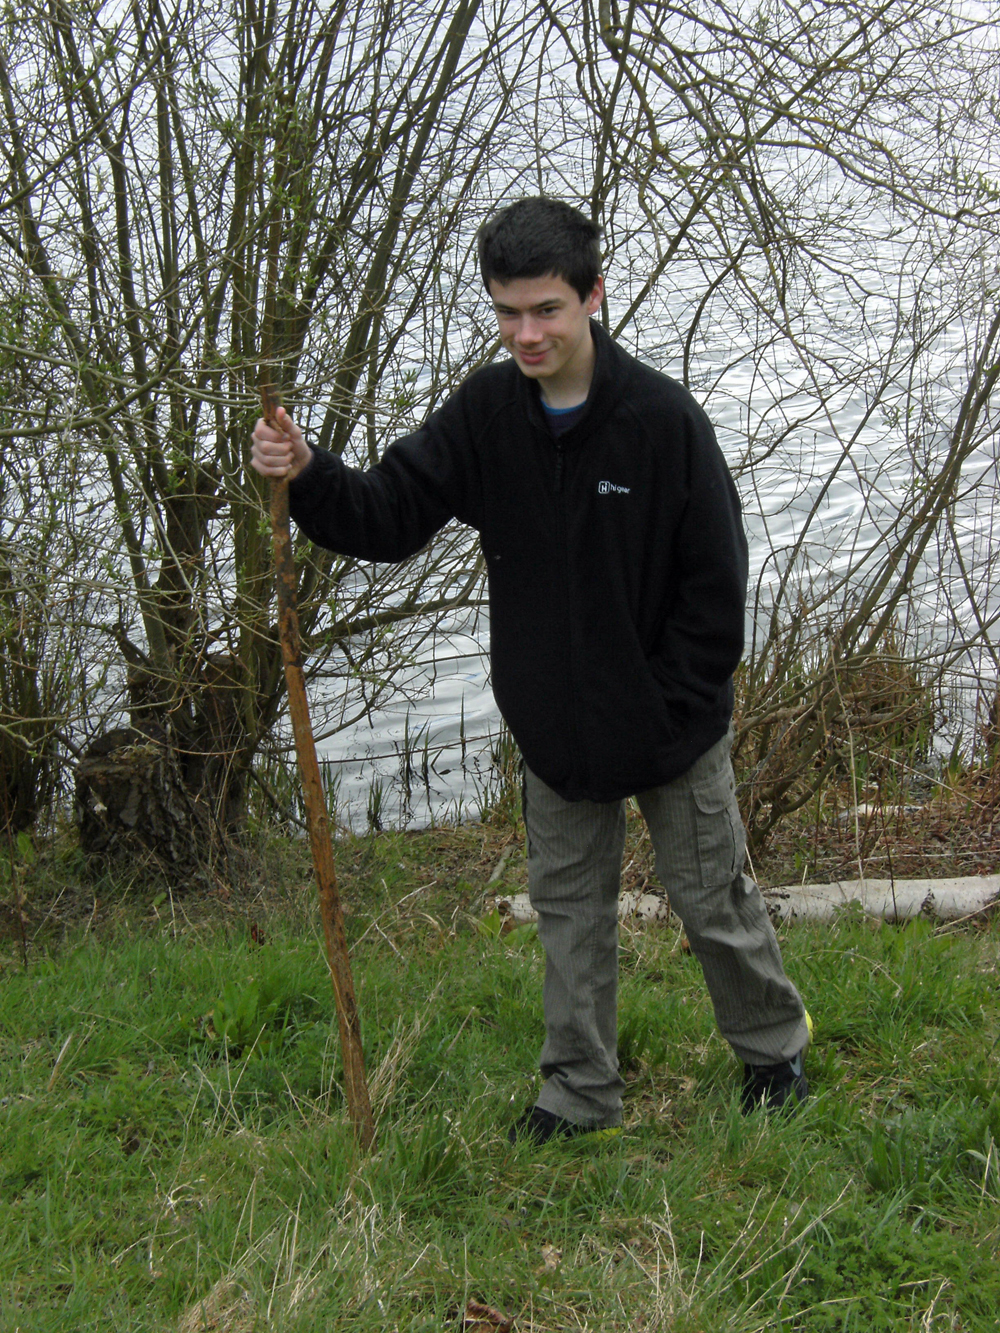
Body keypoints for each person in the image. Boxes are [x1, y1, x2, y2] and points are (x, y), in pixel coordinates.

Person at [251, 196, 810, 1143]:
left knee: (713, 900)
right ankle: (579, 1093)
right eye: (507, 312)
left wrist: (672, 703)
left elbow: (717, 591)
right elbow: (387, 513)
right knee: (568, 917)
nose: (526, 333)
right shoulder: (487, 415)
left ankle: (772, 1051)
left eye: (545, 309)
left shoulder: (664, 423)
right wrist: (308, 470)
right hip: (553, 728)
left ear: (594, 295)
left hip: (672, 728)